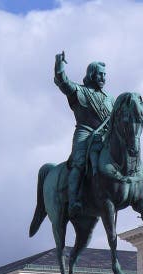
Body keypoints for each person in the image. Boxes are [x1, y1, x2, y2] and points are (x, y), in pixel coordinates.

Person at [53, 50, 114, 218]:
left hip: (105, 135)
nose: (103, 78)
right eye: (100, 75)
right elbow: (62, 82)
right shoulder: (79, 91)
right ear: (92, 75)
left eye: (105, 75)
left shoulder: (110, 98)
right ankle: (74, 201)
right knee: (79, 163)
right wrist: (59, 65)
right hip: (85, 132)